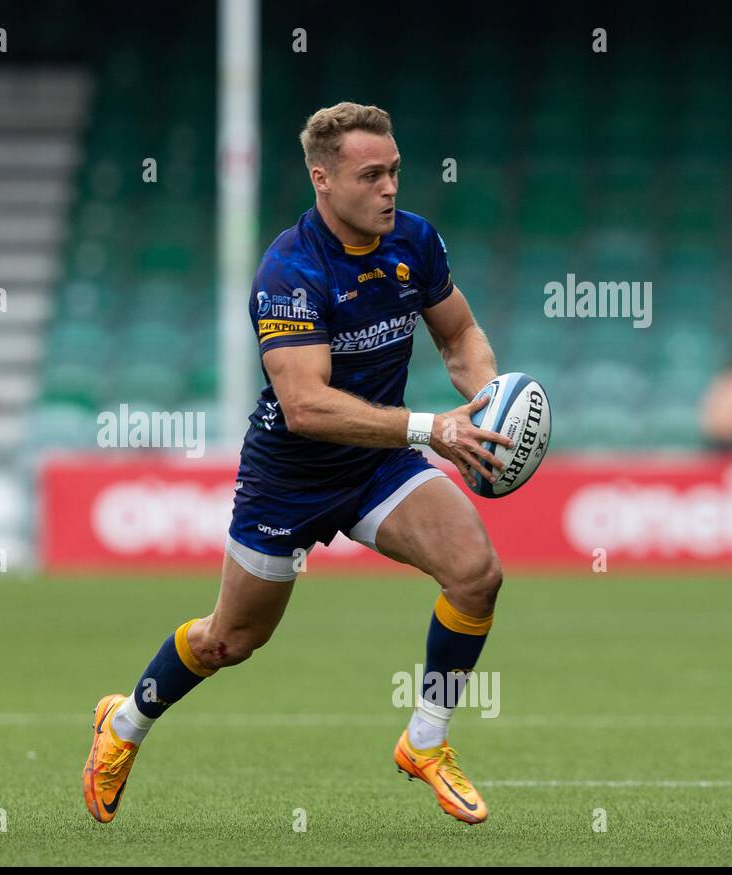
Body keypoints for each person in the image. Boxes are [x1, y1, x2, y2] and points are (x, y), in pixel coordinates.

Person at [82, 102, 513, 826]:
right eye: (370, 175)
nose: (389, 189)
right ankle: (124, 724)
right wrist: (428, 428)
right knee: (231, 641)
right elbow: (307, 406)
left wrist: (491, 402)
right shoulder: (289, 270)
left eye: (395, 172)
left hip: (379, 465)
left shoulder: (415, 242)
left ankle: (427, 742)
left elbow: (461, 334)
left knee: (477, 574)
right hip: (291, 477)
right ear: (322, 178)